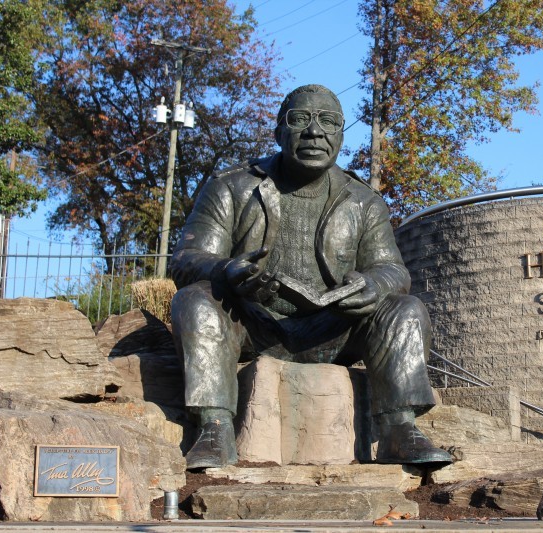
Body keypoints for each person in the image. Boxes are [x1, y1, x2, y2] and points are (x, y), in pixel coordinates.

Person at [170, 84, 453, 470]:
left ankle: (398, 430)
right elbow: (187, 257)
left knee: (405, 308)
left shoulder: (364, 200)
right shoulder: (232, 187)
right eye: (300, 120)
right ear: (278, 132)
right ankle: (215, 429)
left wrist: (373, 285)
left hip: (334, 331)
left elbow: (392, 270)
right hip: (253, 326)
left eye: (329, 122)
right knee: (194, 299)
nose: (314, 132)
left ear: (340, 135)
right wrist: (226, 270)